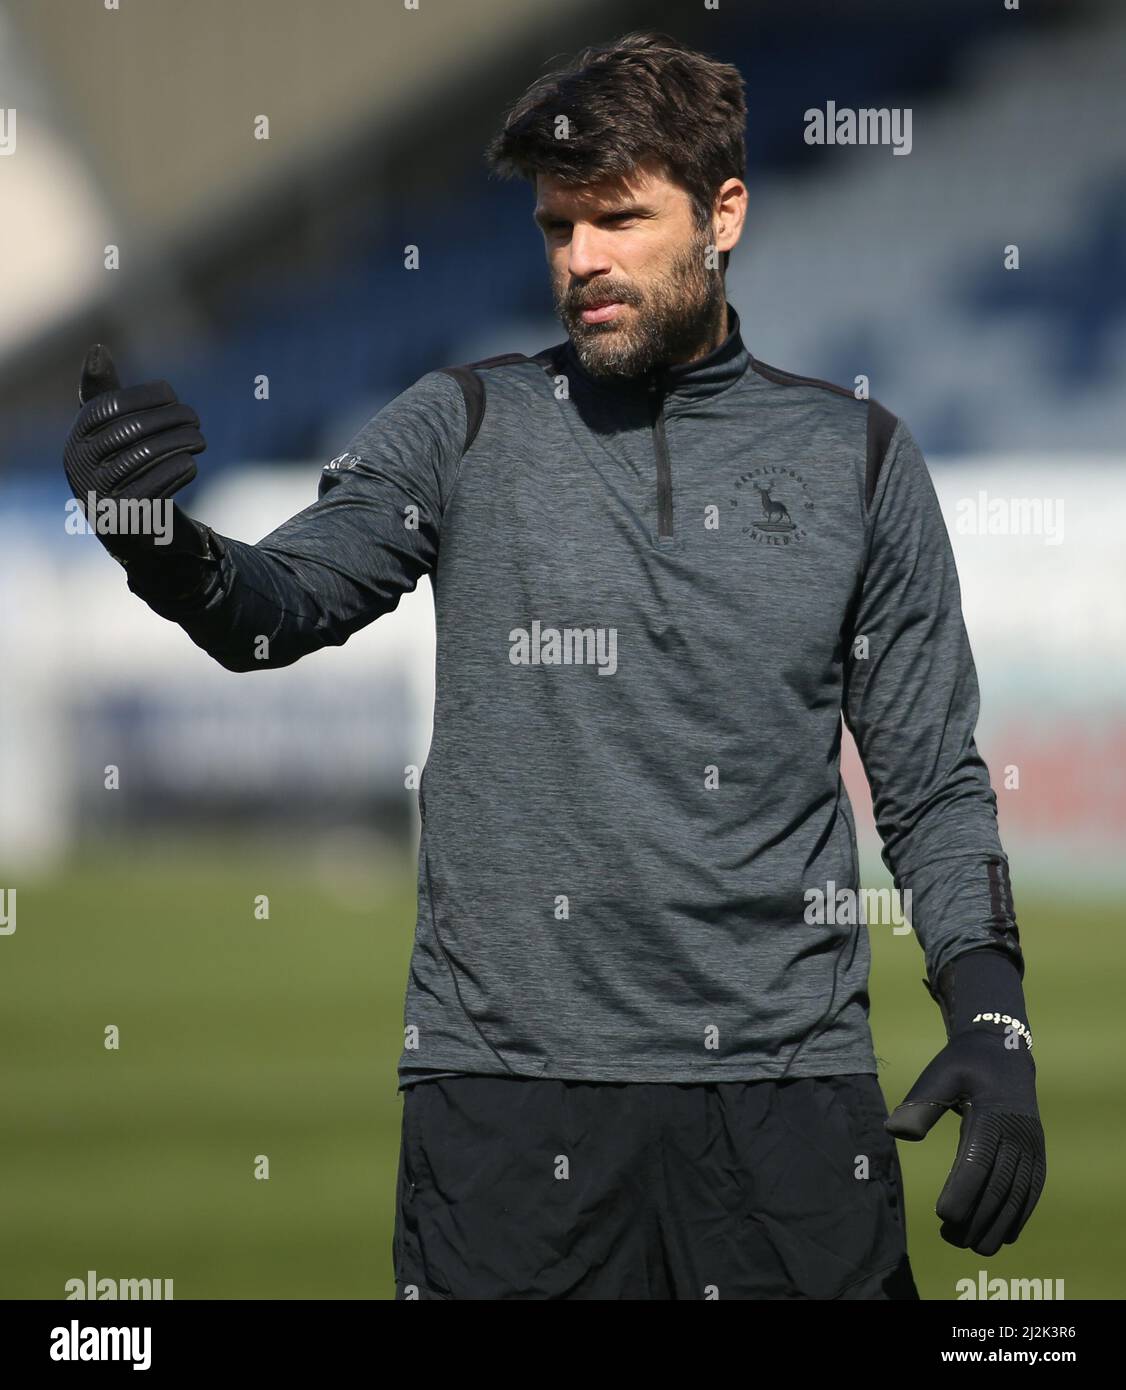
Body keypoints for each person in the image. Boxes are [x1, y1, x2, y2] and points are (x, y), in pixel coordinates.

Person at [62, 31, 1045, 1300]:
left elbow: (929, 784)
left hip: (786, 1100)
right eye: (555, 227)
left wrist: (990, 1015)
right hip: (507, 1110)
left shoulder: (857, 457)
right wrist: (154, 542)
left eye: (620, 219)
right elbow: (279, 610)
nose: (581, 261)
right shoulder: (461, 424)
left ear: (724, 213)